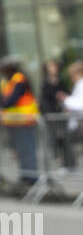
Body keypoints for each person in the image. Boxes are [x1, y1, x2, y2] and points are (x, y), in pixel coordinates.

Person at [0, 57, 40, 186]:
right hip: (17, 121)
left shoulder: (18, 79)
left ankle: (31, 177)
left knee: (27, 149)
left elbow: (9, 101)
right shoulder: (10, 81)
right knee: (22, 150)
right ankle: (26, 176)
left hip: (25, 120)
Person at [40, 59, 72, 169]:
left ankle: (68, 162)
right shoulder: (45, 83)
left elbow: (67, 94)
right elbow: (44, 100)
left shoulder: (61, 81)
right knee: (55, 139)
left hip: (61, 115)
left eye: (54, 66)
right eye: (50, 67)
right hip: (52, 116)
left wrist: (65, 105)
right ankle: (60, 161)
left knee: (64, 138)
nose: (53, 69)